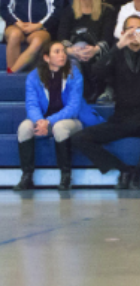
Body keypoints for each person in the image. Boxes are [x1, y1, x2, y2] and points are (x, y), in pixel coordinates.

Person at [70, 15, 140, 189]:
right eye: (130, 29)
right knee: (79, 138)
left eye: (139, 29)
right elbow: (97, 71)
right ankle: (124, 170)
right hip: (122, 118)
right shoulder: (117, 52)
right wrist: (118, 46)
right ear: (123, 32)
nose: (135, 33)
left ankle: (138, 172)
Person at [12, 41, 105, 192]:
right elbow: (32, 105)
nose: (62, 54)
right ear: (46, 58)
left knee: (60, 127)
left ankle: (65, 176)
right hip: (44, 120)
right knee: (24, 128)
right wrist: (40, 121)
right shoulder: (33, 77)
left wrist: (48, 121)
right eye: (57, 52)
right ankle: (27, 176)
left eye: (63, 51)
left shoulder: (74, 74)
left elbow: (73, 108)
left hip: (72, 120)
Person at [57, 0, 117, 103]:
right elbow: (62, 39)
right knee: (73, 55)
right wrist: (71, 50)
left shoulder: (107, 11)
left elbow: (107, 38)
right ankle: (80, 96)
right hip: (74, 54)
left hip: (99, 55)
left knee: (80, 49)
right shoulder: (68, 11)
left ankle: (76, 98)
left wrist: (94, 49)